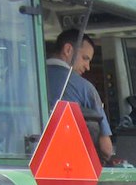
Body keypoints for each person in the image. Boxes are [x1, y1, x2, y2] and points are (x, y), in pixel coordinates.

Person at [46, 29, 115, 163]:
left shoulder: (26, 79)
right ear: (68, 50)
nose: (87, 67)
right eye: (85, 58)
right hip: (69, 165)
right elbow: (106, 149)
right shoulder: (85, 88)